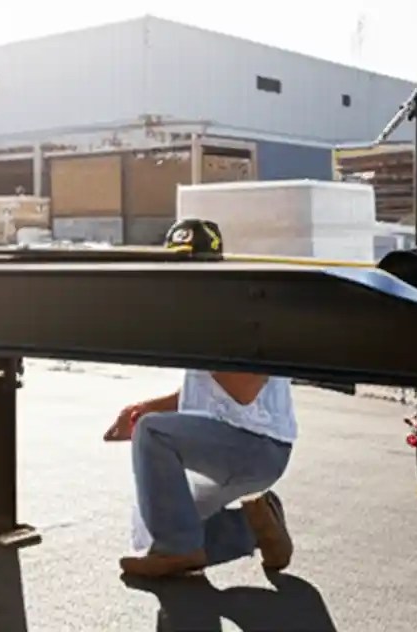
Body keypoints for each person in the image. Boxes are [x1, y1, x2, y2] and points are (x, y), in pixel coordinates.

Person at [104, 219, 297, 578]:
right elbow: (205, 394)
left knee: (154, 434)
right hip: (230, 448)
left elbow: (243, 390)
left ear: (215, 262)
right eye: (177, 263)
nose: (184, 272)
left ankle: (180, 549)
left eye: (194, 262)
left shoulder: (239, 307)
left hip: (257, 446)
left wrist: (196, 340)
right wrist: (142, 408)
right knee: (147, 534)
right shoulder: (201, 310)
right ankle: (253, 529)